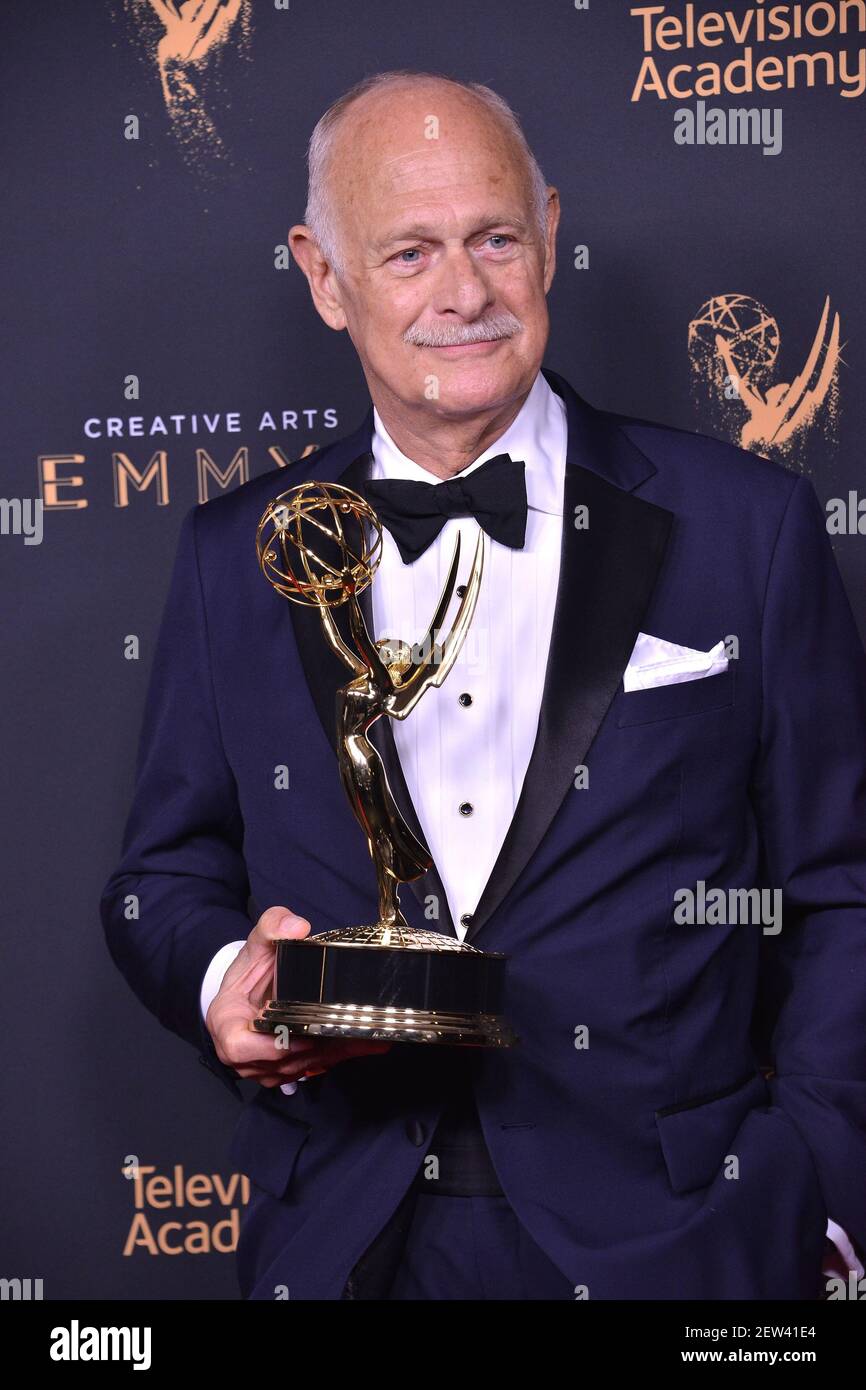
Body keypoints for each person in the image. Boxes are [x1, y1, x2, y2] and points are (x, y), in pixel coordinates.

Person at [101, 69, 866, 1300]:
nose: (464, 294)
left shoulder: (747, 529)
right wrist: (220, 983)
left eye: (495, 239)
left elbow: (839, 888)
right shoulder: (234, 556)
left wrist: (820, 1192)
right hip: (346, 1235)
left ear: (550, 234)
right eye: (408, 253)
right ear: (321, 273)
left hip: (677, 1248)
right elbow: (161, 877)